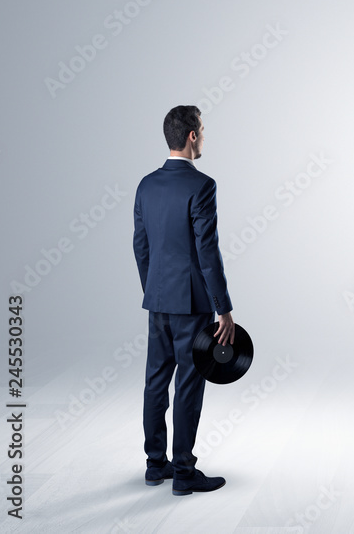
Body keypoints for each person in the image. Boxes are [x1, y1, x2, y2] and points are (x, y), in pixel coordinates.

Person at [132, 105, 235, 495]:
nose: (205, 136)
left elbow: (140, 245)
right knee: (188, 386)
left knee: (155, 383)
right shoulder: (202, 186)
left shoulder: (145, 185)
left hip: (157, 300)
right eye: (204, 130)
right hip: (192, 304)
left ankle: (155, 466)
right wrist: (223, 307)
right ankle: (184, 472)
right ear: (192, 136)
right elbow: (207, 251)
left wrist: (152, 287)